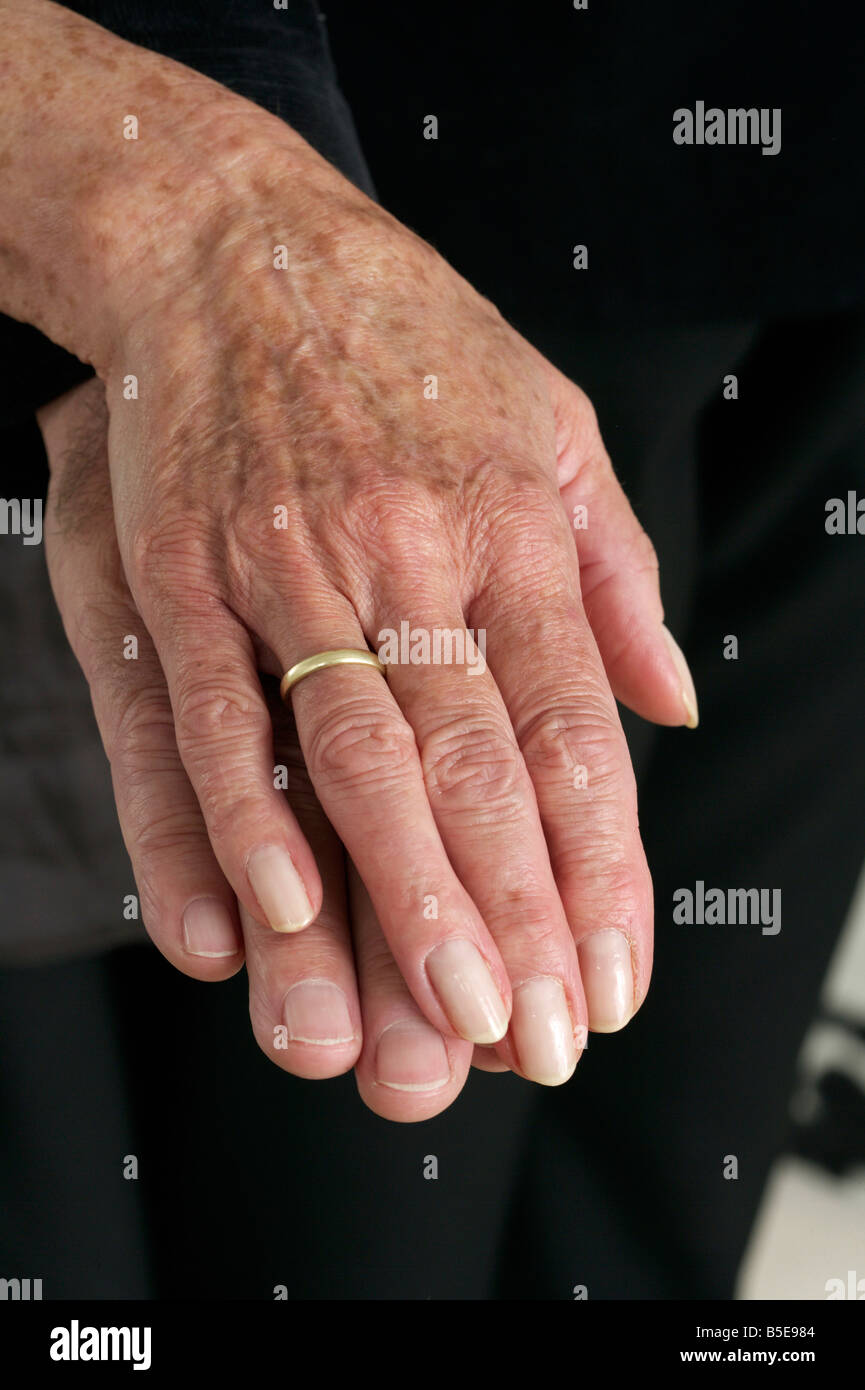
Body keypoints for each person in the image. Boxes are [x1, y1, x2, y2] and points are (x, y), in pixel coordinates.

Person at [0, 0, 862, 1298]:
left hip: (790, 212)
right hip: (373, 240)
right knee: (341, 1210)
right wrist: (190, 208)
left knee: (654, 1173)